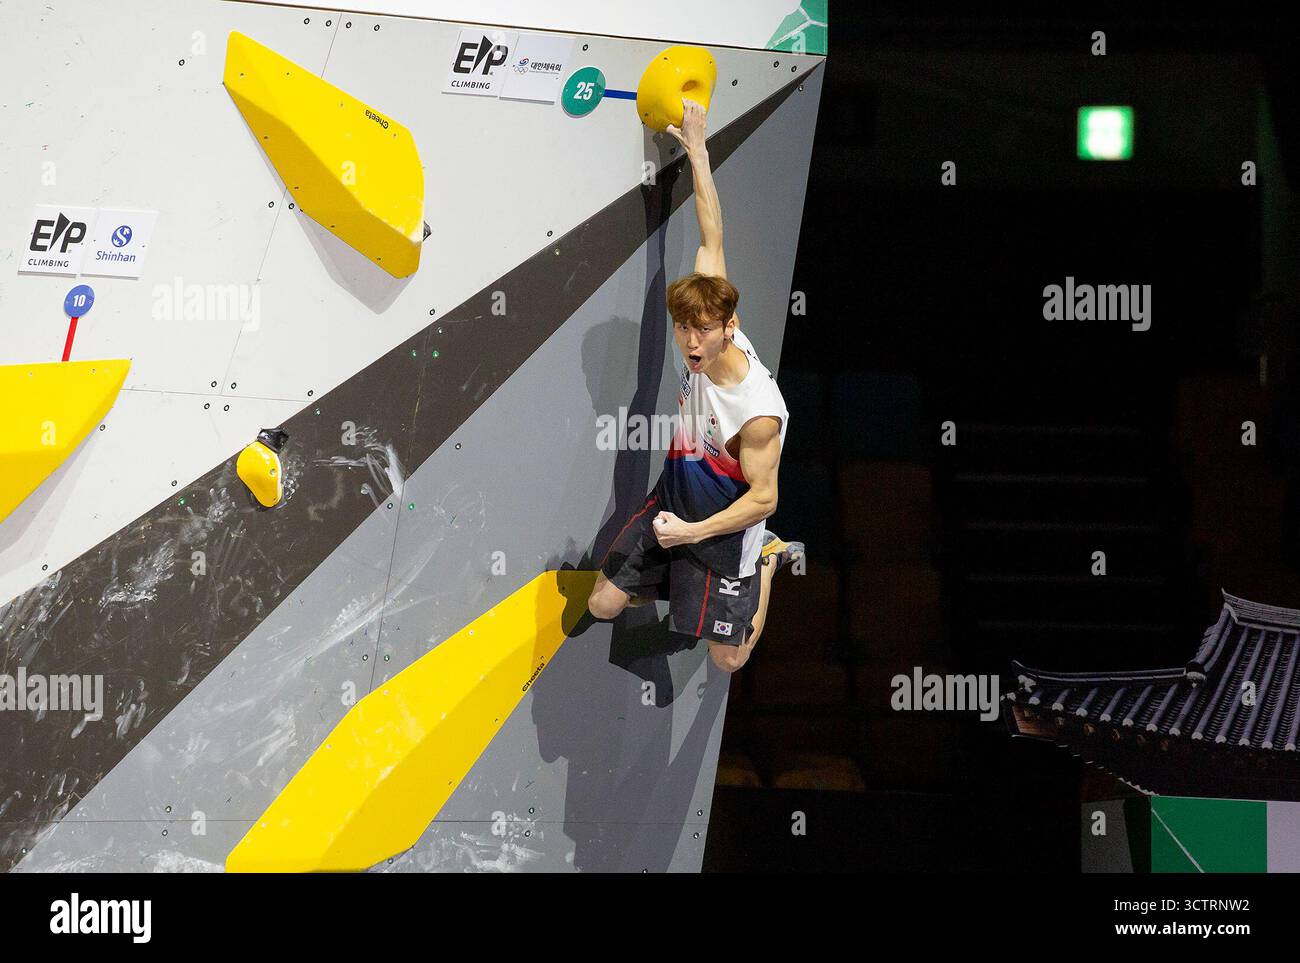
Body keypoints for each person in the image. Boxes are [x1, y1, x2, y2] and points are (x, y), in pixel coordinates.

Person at [587, 98, 803, 673]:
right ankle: (675, 583)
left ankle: (769, 563)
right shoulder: (705, 320)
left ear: (730, 328)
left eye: (702, 331)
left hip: (726, 535)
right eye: (683, 329)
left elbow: (765, 498)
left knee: (727, 658)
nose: (690, 343)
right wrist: (699, 152)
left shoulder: (757, 413)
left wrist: (691, 534)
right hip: (674, 502)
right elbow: (712, 231)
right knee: (603, 603)